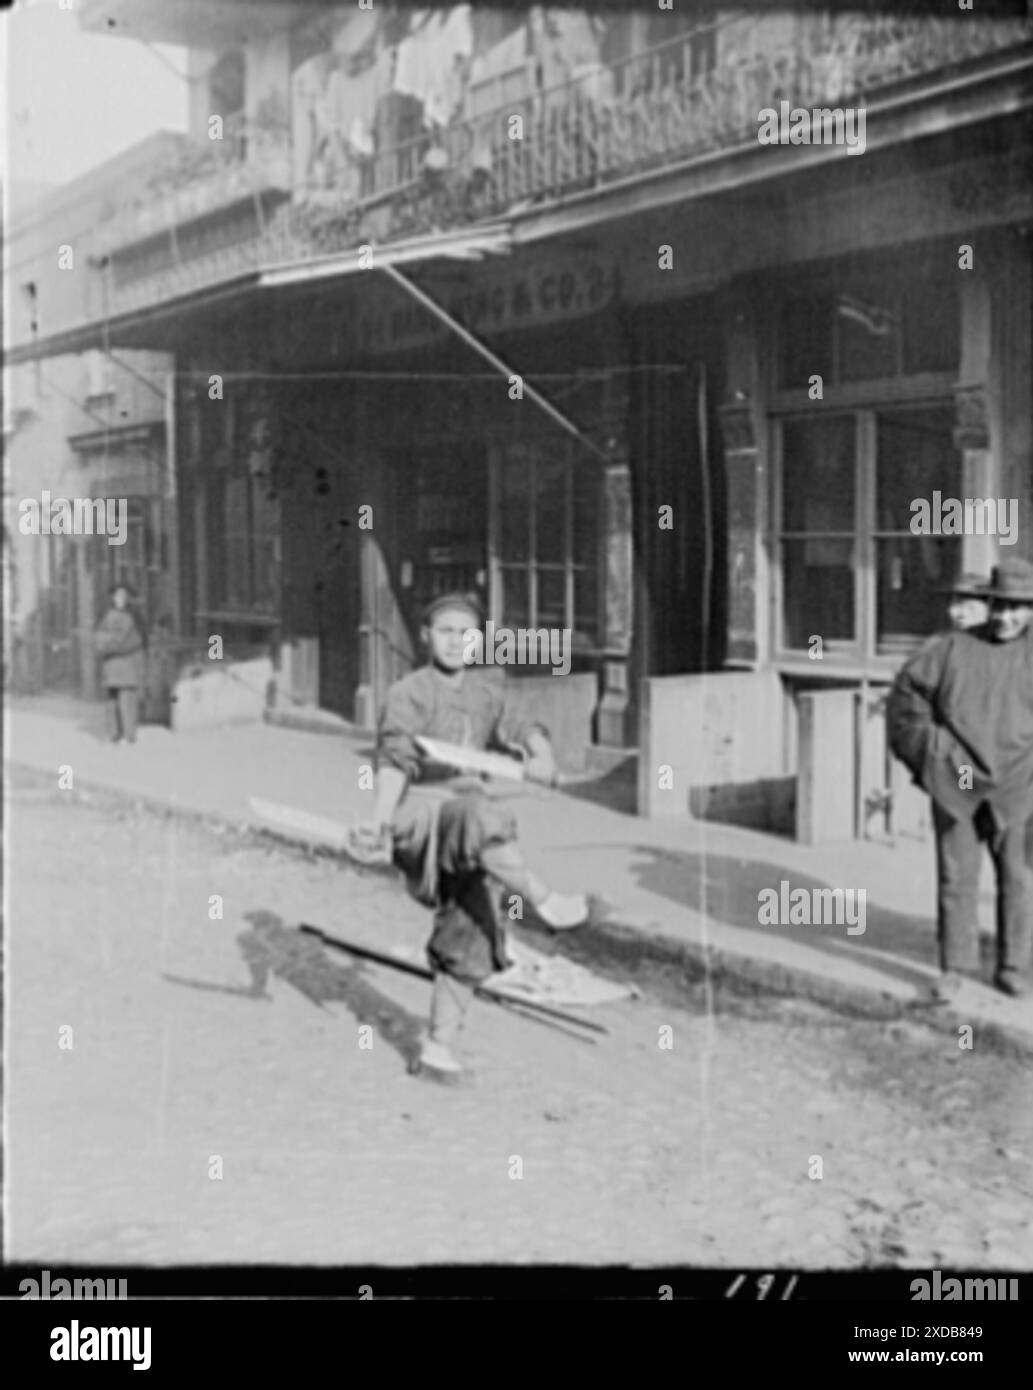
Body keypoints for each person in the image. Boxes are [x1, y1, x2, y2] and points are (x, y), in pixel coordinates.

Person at [350, 591, 588, 1083]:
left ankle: (438, 1048)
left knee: (474, 926)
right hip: (422, 818)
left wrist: (540, 753)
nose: (456, 642)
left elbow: (523, 725)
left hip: (476, 833)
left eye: (466, 633)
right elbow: (394, 760)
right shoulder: (408, 692)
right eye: (445, 632)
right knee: (482, 813)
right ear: (425, 636)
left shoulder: (486, 693)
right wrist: (377, 819)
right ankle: (542, 898)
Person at [887, 558, 1033, 1000]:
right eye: (1000, 606)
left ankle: (1013, 966)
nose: (1007, 616)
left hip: (1017, 785)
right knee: (957, 872)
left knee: (1019, 876)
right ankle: (956, 965)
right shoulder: (952, 648)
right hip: (961, 777)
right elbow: (905, 696)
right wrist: (935, 752)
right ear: (988, 604)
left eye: (1019, 607)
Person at [94, 582, 147, 746]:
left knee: (126, 700)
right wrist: (104, 642)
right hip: (111, 664)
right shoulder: (107, 614)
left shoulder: (133, 618)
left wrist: (105, 643)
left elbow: (125, 641)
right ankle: (113, 733)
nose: (120, 599)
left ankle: (128, 734)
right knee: (111, 701)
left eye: (123, 596)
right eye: (117, 596)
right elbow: (98, 636)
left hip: (127, 665)